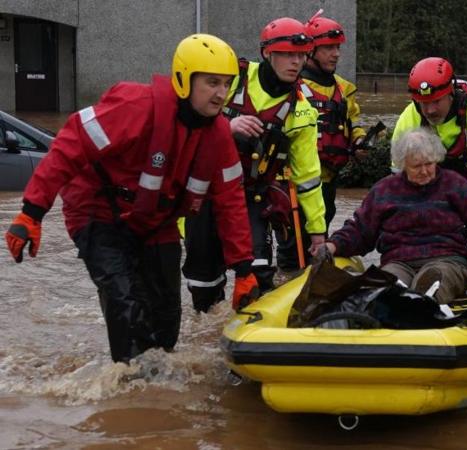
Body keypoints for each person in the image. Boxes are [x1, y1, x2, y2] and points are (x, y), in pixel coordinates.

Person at [4, 34, 256, 363]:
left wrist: (244, 269)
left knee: (167, 318)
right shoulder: (137, 107)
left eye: (226, 84)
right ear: (183, 79)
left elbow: (230, 202)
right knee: (125, 304)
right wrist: (31, 213)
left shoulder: (219, 135)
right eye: (211, 83)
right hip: (97, 214)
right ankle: (126, 384)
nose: (221, 93)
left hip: (155, 223)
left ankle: (157, 390)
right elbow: (70, 145)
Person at [181, 18, 325, 312]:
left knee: (258, 273)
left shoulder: (303, 111)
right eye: (287, 54)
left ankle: (250, 329)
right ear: (268, 54)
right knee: (204, 285)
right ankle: (208, 334)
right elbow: (188, 122)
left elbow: (308, 177)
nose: (296, 62)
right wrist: (227, 125)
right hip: (205, 196)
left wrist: (318, 233)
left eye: (301, 55)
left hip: (253, 197)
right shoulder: (231, 79)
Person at [319, 128, 467, 304]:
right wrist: (333, 246)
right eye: (417, 166)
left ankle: (424, 305)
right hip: (399, 261)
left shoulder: (454, 184)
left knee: (433, 279)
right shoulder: (384, 191)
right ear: (403, 165)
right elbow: (360, 230)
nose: (424, 171)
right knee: (389, 285)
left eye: (429, 164)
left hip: (447, 261)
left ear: (437, 160)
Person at [392, 57, 467, 278]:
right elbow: (397, 187)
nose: (430, 110)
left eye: (436, 101)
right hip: (433, 193)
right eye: (424, 103)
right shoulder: (409, 119)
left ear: (451, 93)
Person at [275, 11, 366, 271]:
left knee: (321, 236)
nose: (336, 54)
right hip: (293, 181)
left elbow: (353, 121)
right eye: (328, 48)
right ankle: (288, 281)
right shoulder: (292, 84)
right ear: (311, 49)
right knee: (293, 246)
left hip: (327, 178)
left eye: (337, 48)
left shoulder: (343, 88)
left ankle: (311, 280)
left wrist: (359, 141)